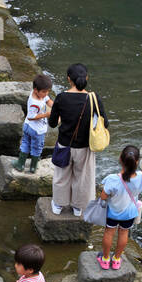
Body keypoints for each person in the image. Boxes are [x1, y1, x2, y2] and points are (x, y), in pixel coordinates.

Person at [47, 63, 108, 217]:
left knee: (61, 176)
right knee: (82, 178)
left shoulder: (61, 98)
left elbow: (52, 123)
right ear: (86, 78)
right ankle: (78, 207)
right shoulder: (94, 98)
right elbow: (105, 123)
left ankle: (58, 205)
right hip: (85, 146)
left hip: (64, 145)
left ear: (69, 79)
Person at [98, 145, 142, 271]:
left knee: (109, 233)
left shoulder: (112, 179)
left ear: (120, 160)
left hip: (113, 213)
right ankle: (116, 259)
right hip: (129, 213)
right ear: (137, 162)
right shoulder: (141, 177)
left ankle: (105, 259)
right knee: (124, 233)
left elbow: (103, 196)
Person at [13, 73, 53, 173]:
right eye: (44, 91)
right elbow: (31, 117)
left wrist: (55, 106)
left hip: (28, 127)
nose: (46, 93)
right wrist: (46, 115)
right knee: (37, 147)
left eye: (48, 91)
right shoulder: (34, 103)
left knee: (25, 144)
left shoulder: (40, 94)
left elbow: (48, 100)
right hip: (37, 130)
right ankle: (33, 167)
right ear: (36, 90)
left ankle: (20, 164)